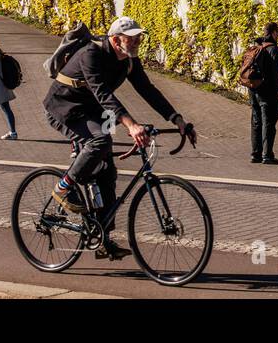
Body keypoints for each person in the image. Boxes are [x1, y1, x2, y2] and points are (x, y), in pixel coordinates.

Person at [42, 16, 195, 260]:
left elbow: (148, 91)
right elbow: (103, 94)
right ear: (115, 40)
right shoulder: (90, 54)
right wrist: (131, 125)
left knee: (107, 171)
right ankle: (63, 188)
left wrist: (177, 119)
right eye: (131, 38)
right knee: (99, 142)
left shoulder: (129, 61)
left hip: (92, 111)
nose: (137, 42)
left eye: (139, 37)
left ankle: (103, 239)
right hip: (64, 107)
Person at [247, 22, 278, 165]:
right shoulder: (274, 50)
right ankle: (267, 155)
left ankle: (255, 154)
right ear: (274, 33)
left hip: (254, 90)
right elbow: (277, 74)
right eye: (277, 32)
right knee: (268, 123)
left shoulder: (257, 47)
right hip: (267, 92)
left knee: (256, 121)